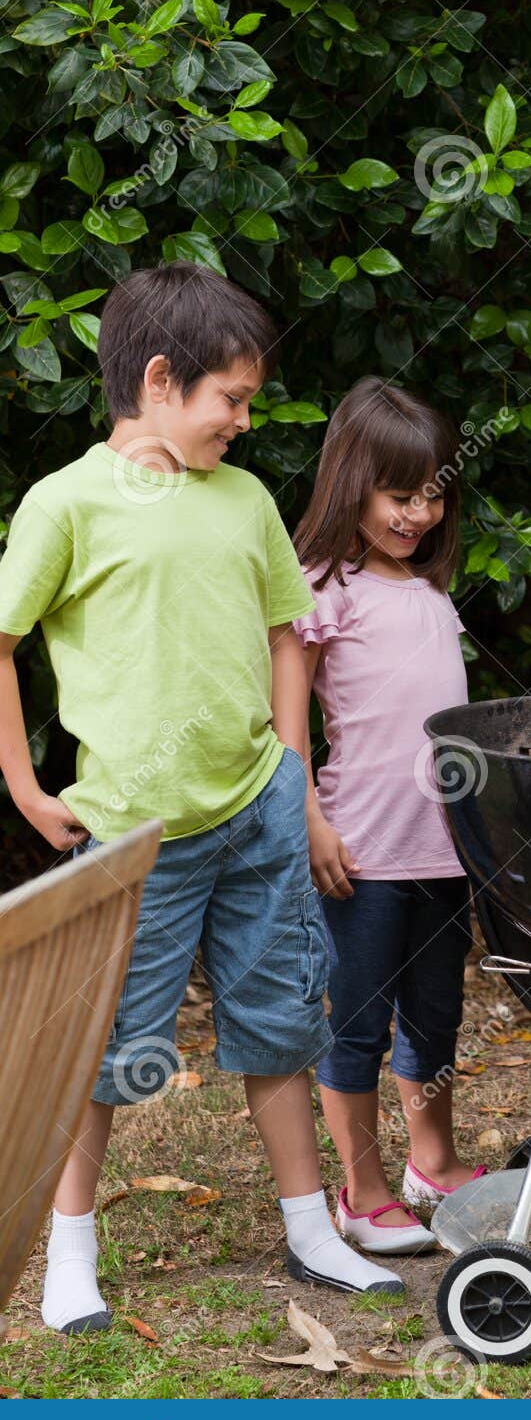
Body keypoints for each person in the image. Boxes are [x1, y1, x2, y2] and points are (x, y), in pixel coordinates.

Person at [0, 263, 407, 1334]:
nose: (243, 417)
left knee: (280, 1022)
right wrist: (23, 784)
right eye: (231, 397)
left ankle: (313, 1227)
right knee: (108, 1047)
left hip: (255, 812)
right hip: (133, 830)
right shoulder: (67, 502)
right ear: (161, 379)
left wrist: (289, 770)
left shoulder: (245, 500)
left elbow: (284, 635)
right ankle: (71, 1253)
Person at [293, 378, 484, 1256]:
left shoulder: (432, 595)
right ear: (351, 485)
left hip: (442, 853)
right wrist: (308, 818)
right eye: (399, 496)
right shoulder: (320, 588)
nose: (418, 513)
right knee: (358, 1022)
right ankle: (361, 1188)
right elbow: (282, 721)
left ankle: (432, 1163)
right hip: (361, 850)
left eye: (433, 495)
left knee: (435, 1016)